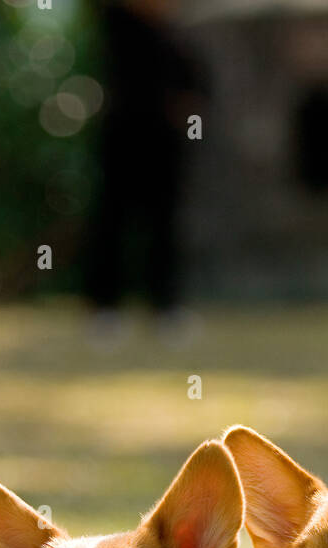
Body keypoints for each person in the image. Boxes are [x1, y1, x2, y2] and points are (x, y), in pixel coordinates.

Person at [85, 0, 205, 332]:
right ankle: (105, 307)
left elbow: (194, 86)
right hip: (124, 135)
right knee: (114, 221)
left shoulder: (175, 37)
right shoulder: (118, 23)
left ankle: (164, 305)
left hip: (164, 141)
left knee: (164, 223)